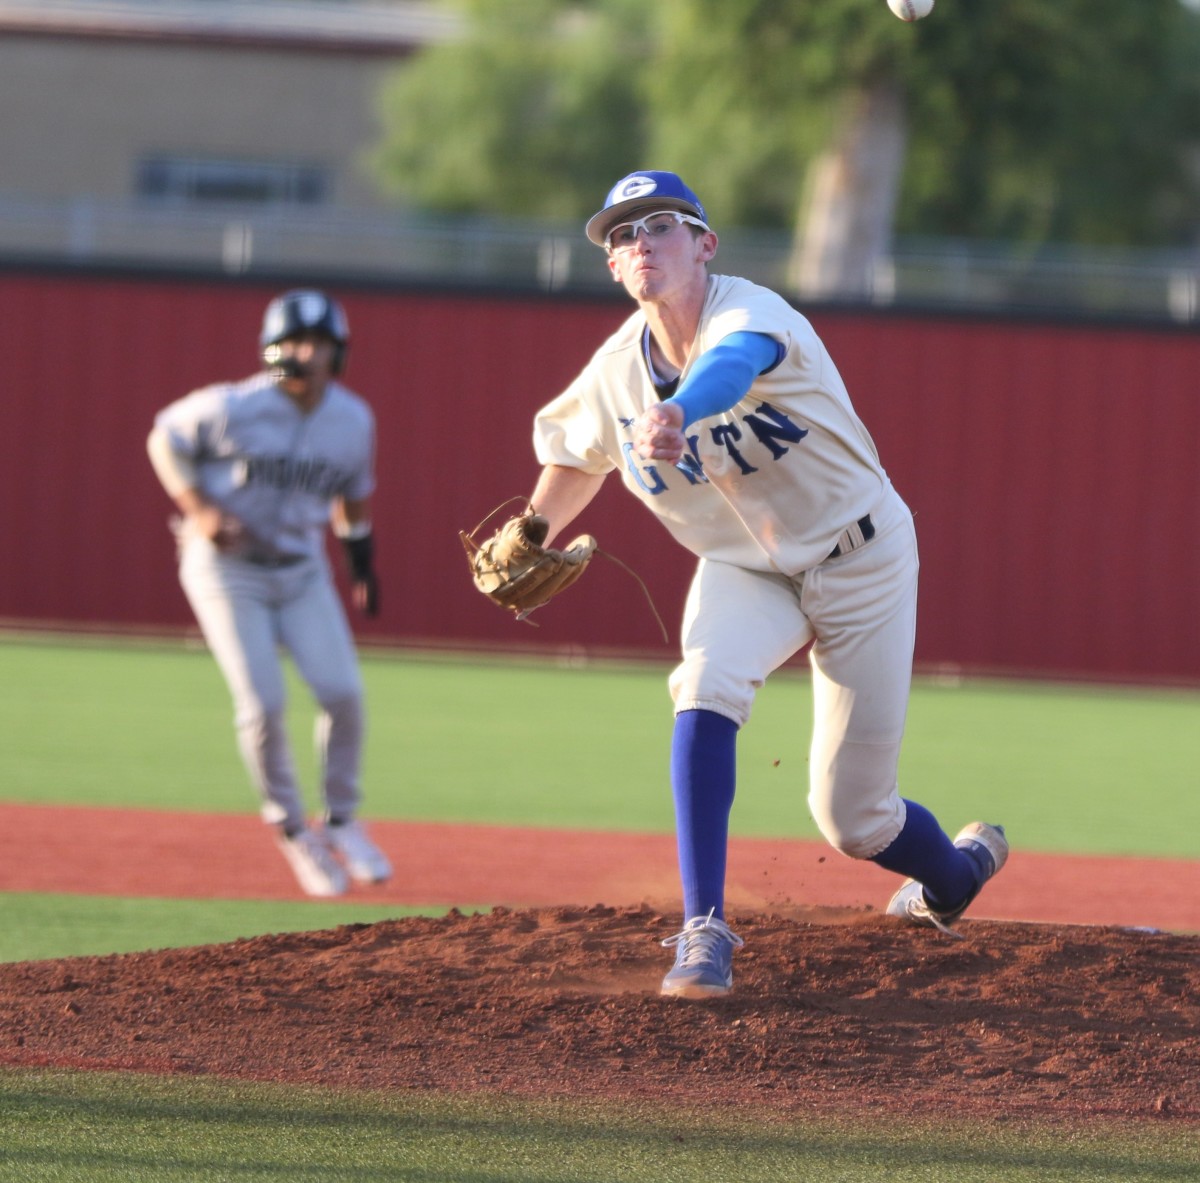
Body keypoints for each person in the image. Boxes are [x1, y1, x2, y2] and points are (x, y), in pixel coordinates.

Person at [524, 171, 1008, 998]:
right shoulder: (612, 376)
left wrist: (678, 412)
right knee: (704, 685)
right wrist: (532, 532)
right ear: (612, 267)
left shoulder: (753, 314)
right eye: (621, 235)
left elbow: (731, 367)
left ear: (705, 244)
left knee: (853, 818)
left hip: (862, 558)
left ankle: (953, 879)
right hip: (746, 568)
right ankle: (704, 929)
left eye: (662, 225)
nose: (640, 242)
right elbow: (575, 455)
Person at [146, 288, 392, 898]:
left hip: (301, 566)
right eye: (294, 343)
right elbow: (164, 438)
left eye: (320, 344)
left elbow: (352, 498)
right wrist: (199, 508)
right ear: (271, 350)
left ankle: (341, 820)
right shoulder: (232, 405)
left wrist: (361, 563)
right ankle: (290, 829)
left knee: (343, 694)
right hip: (226, 568)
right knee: (263, 704)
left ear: (339, 353)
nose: (307, 353)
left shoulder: (352, 419)